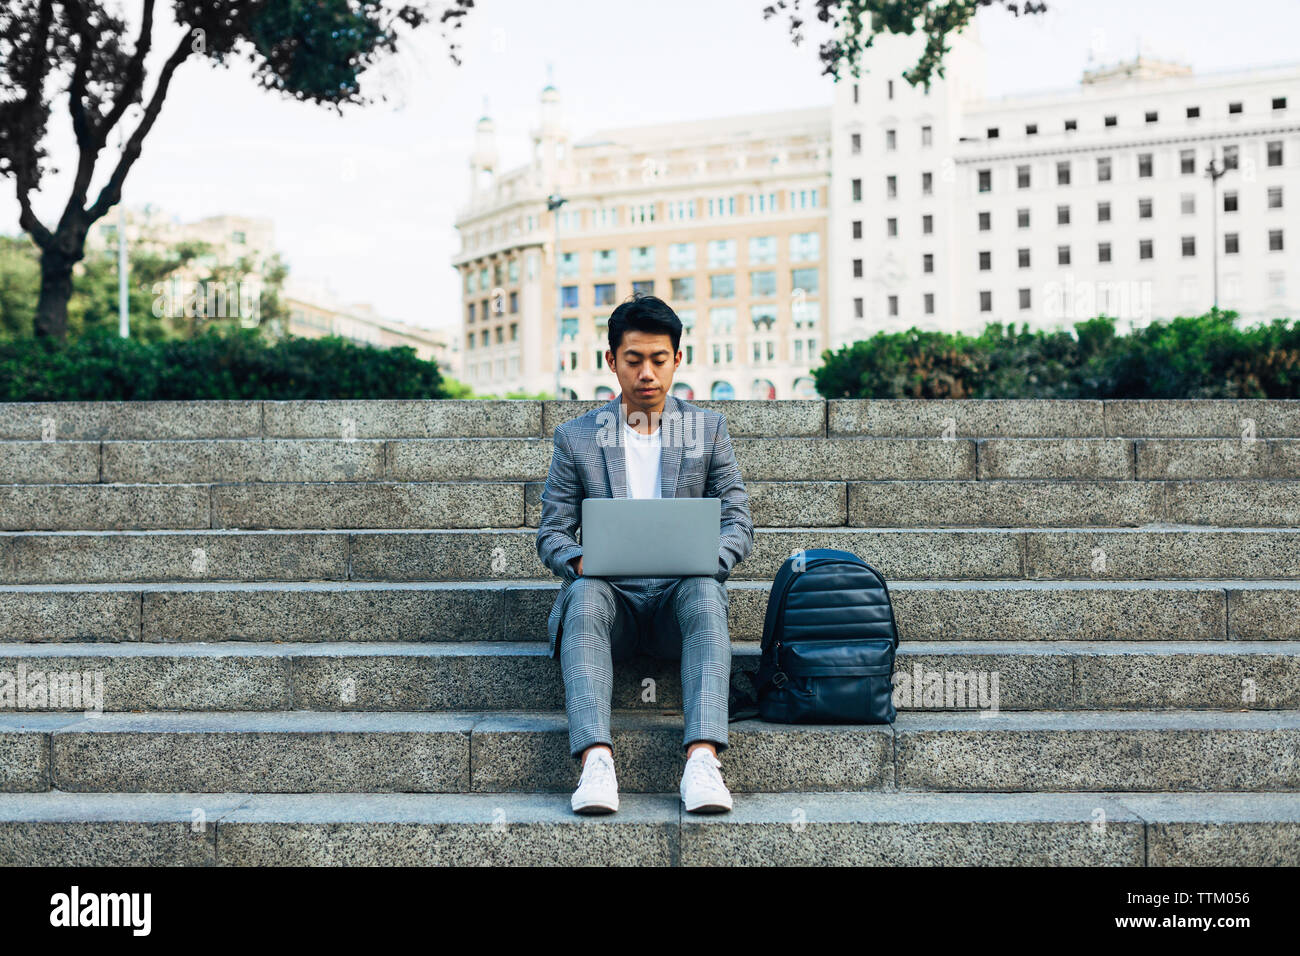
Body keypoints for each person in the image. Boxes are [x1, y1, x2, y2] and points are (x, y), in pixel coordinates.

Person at [536, 293, 754, 814]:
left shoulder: (708, 430)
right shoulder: (576, 438)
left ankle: (702, 760)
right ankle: (595, 762)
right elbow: (552, 533)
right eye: (633, 360)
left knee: (704, 592)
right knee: (585, 596)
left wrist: (709, 559)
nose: (647, 374)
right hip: (611, 604)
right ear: (611, 361)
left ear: (678, 359)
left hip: (679, 603)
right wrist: (580, 562)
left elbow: (737, 521)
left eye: (659, 359)